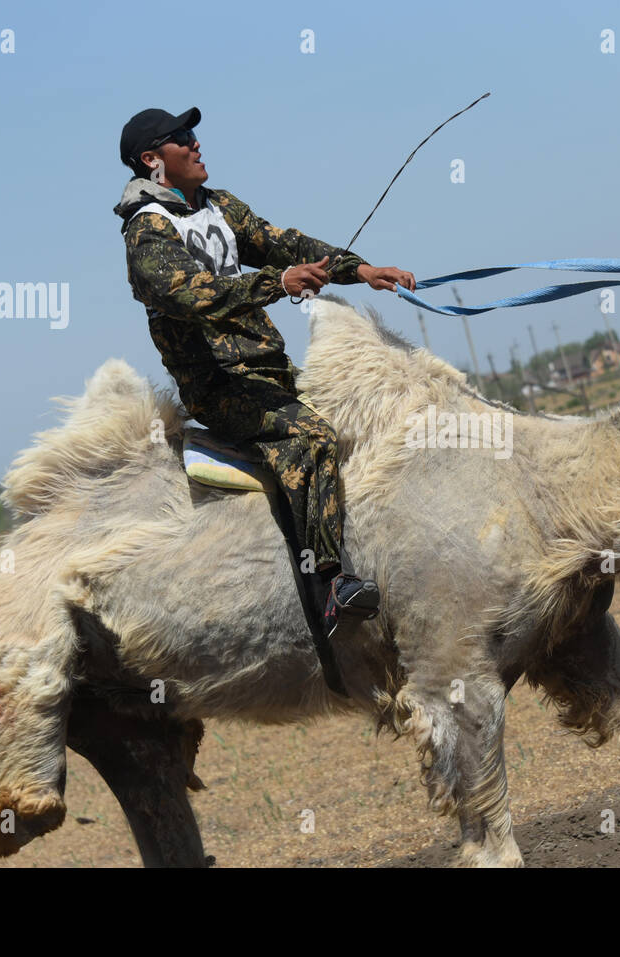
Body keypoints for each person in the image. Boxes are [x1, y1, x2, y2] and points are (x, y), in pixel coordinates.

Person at [114, 106, 415, 641]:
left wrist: (361, 269)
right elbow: (193, 295)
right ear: (152, 160)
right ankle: (332, 583)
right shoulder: (146, 234)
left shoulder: (218, 205)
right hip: (220, 386)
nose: (196, 142)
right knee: (313, 437)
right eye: (182, 137)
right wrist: (277, 283)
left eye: (194, 132)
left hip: (269, 371)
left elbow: (285, 244)